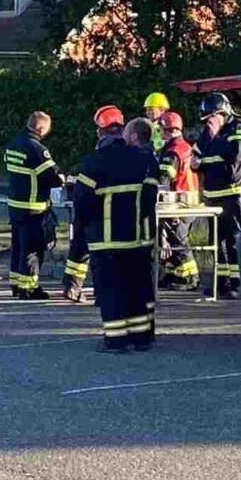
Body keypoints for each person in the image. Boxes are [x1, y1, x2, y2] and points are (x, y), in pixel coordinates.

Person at [72, 115, 160, 351]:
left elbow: (81, 200)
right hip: (137, 239)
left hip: (105, 240)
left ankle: (116, 339)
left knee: (111, 290)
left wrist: (87, 224)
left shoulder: (96, 160)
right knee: (137, 288)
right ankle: (141, 338)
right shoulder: (147, 161)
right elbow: (150, 201)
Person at [62, 105, 121, 303]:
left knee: (82, 246)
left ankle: (73, 285)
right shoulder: (133, 156)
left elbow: (82, 194)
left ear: (100, 130)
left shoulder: (94, 159)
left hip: (95, 215)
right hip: (122, 217)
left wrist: (81, 213)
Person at [2, 110, 62, 300]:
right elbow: (53, 176)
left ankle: (16, 284)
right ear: (41, 128)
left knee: (18, 247)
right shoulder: (36, 148)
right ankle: (28, 288)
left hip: (15, 206)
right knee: (33, 249)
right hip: (34, 207)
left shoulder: (14, 144)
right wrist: (62, 178)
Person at [195, 92, 241, 298]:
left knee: (233, 241)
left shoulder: (237, 130)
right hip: (211, 197)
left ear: (222, 113)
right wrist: (196, 161)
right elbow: (196, 154)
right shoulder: (208, 132)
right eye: (205, 120)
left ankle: (238, 284)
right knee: (217, 242)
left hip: (231, 196)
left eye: (210, 118)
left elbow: (234, 167)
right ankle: (221, 283)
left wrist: (206, 158)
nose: (208, 123)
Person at [156, 110, 200, 290]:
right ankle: (173, 274)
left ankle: (191, 278)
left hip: (178, 202)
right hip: (190, 200)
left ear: (166, 129)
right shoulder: (185, 146)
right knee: (176, 238)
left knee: (178, 240)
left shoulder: (172, 152)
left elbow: (164, 179)